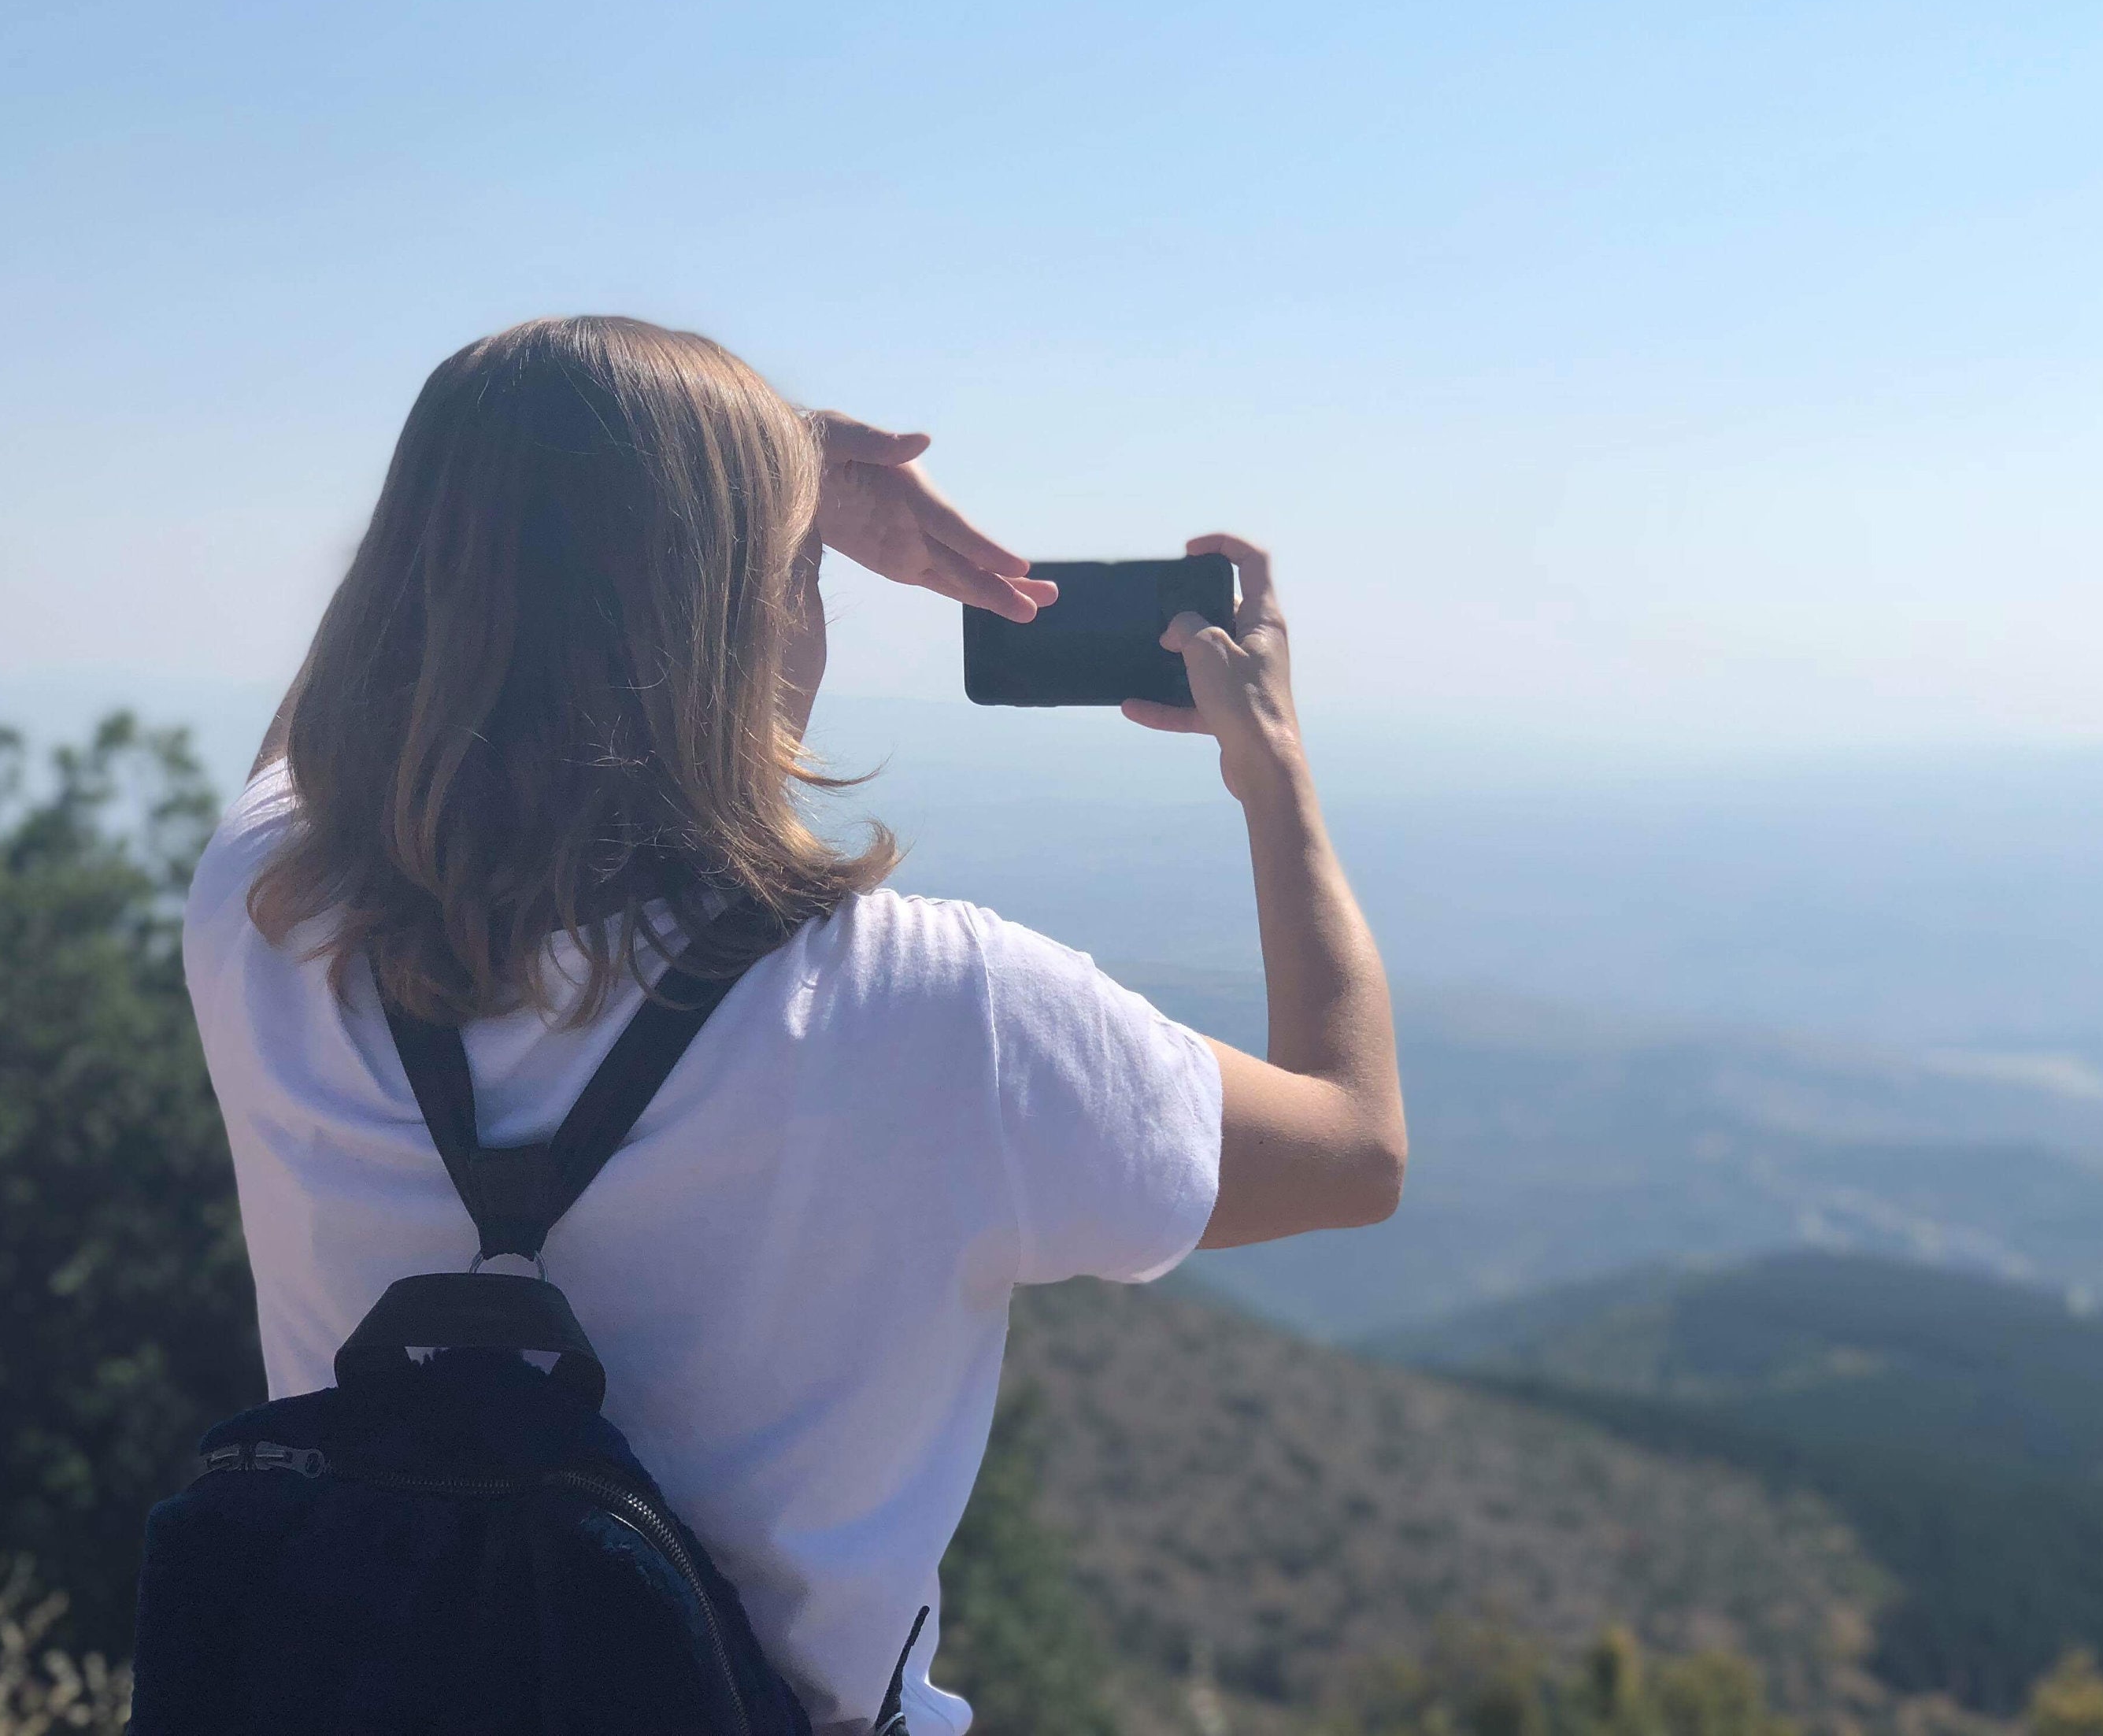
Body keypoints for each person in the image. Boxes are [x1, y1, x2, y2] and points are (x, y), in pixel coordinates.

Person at [180, 315, 1406, 1734]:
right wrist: (1278, 777)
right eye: (802, 575)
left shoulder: (269, 918)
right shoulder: (942, 1018)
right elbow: (1356, 1142)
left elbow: (325, 723)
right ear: (746, 620)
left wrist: (733, 478)